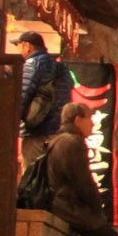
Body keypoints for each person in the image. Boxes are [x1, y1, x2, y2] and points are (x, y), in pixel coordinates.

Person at [46, 101, 118, 236]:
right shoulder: (73, 142)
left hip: (59, 201)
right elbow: (84, 183)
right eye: (89, 119)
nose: (93, 125)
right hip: (66, 204)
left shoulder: (57, 139)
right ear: (78, 120)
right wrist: (97, 209)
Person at [15, 31, 70, 168]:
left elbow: (23, 94)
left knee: (32, 176)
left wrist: (12, 121)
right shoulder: (60, 67)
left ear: (27, 46)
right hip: (57, 131)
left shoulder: (33, 63)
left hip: (37, 131)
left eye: (19, 46)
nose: (19, 50)